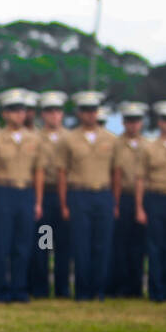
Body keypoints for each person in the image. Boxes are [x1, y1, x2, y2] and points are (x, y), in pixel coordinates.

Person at [0, 89, 46, 303]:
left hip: (25, 192)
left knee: (23, 243)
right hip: (3, 192)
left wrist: (37, 201)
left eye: (21, 110)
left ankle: (19, 288)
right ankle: (0, 289)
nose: (19, 114)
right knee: (1, 244)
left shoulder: (34, 139)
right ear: (5, 114)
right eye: (13, 110)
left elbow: (38, 172)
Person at [56, 91, 119, 302]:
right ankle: (82, 291)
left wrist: (115, 202)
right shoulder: (69, 139)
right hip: (79, 194)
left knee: (102, 244)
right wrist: (64, 204)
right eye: (85, 111)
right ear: (79, 113)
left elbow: (116, 173)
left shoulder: (111, 139)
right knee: (81, 244)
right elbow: (62, 173)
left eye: (93, 110)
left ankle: (98, 290)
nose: (90, 115)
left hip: (103, 193)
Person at [135, 101, 166, 303]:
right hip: (155, 198)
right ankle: (157, 291)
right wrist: (139, 207)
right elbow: (140, 179)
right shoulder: (149, 148)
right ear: (159, 122)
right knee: (155, 247)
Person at [29, 91, 71, 298]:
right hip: (43, 195)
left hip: (64, 196)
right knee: (43, 242)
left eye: (57, 111)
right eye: (49, 111)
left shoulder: (71, 138)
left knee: (64, 244)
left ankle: (62, 288)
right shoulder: (35, 138)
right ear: (42, 114)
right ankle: (41, 287)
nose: (54, 115)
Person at [110, 102, 148, 298]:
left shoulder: (148, 145)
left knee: (139, 246)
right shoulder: (116, 144)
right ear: (124, 123)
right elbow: (115, 175)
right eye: (130, 121)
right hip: (123, 197)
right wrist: (115, 204)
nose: (133, 125)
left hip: (143, 199)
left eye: (137, 121)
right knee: (121, 246)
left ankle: (136, 288)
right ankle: (121, 287)